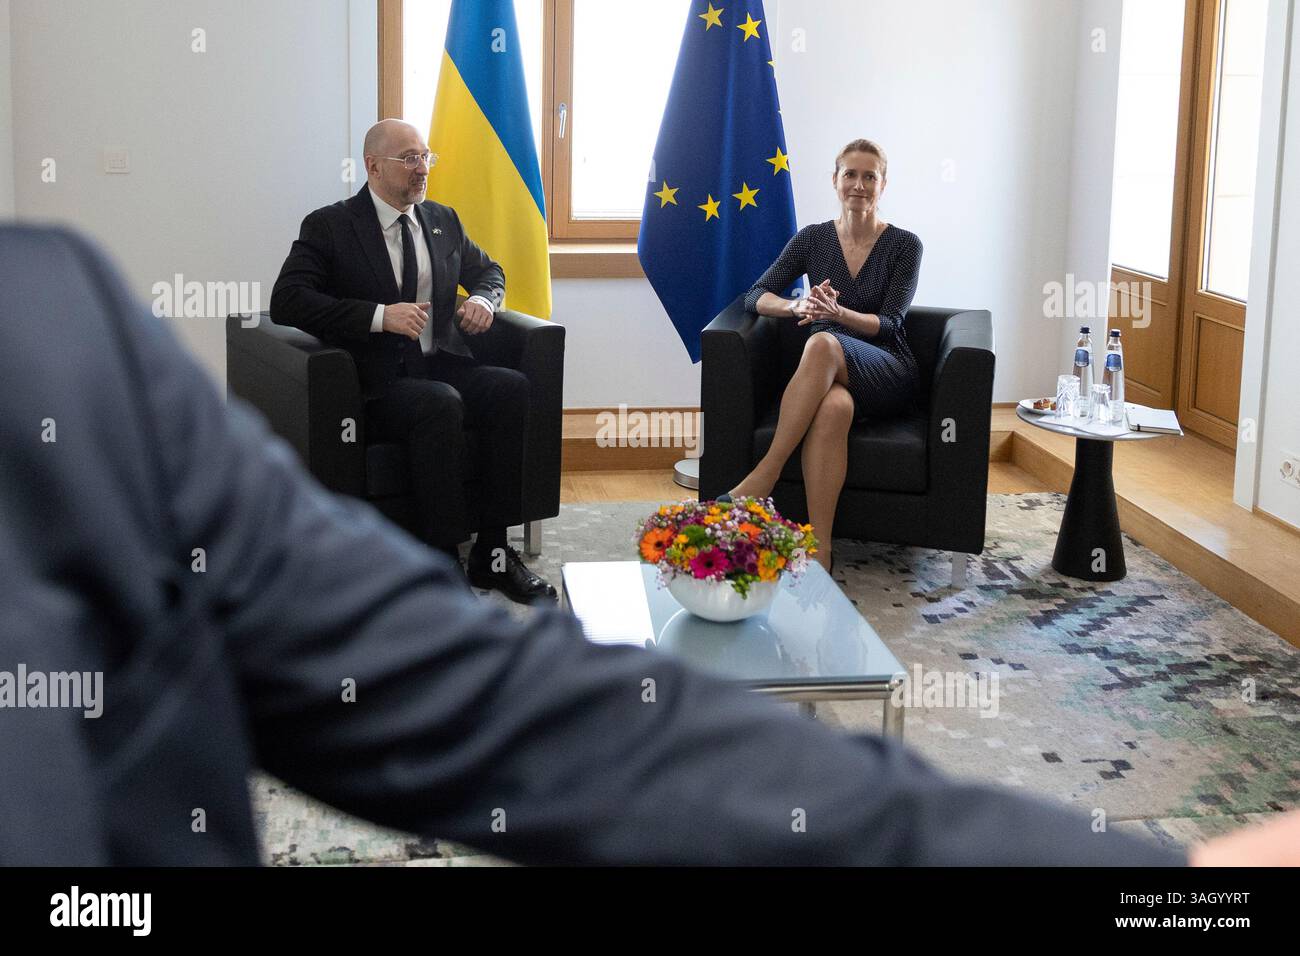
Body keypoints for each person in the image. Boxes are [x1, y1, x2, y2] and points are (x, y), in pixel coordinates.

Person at [4, 224, 1298, 867]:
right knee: (823, 383)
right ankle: (785, 506)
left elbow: (520, 714)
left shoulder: (59, 337)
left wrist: (1150, 882)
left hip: (884, 368)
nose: (848, 197)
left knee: (843, 378)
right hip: (825, 369)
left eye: (858, 181)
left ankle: (763, 492)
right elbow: (761, 305)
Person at [271, 118, 554, 604]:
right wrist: (379, 316)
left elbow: (490, 270)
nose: (421, 168)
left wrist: (485, 300)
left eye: (425, 156)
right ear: (373, 166)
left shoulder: (442, 219)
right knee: (439, 404)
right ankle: (441, 557)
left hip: (442, 361)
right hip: (377, 379)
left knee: (510, 388)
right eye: (408, 158)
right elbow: (288, 300)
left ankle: (493, 554)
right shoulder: (332, 225)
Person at [730, 139, 921, 572]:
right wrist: (796, 307)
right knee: (832, 407)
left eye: (869, 176)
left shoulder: (905, 245)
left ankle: (765, 474)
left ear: (883, 185)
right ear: (835, 181)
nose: (859, 184)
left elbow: (890, 324)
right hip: (830, 375)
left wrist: (837, 314)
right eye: (850, 174)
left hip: (886, 368)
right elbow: (755, 296)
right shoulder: (813, 238)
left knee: (821, 341)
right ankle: (821, 550)